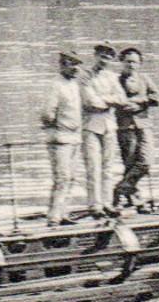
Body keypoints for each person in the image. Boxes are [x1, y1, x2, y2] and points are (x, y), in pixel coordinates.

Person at [81, 42, 130, 218]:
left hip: (109, 126)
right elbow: (90, 102)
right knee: (93, 167)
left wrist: (104, 100)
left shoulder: (111, 77)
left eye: (108, 58)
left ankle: (107, 203)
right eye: (102, 56)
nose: (104, 61)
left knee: (108, 167)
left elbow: (122, 100)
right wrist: (109, 101)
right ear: (95, 56)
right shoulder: (85, 75)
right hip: (91, 126)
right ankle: (95, 205)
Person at [39, 51, 83, 225]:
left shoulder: (74, 85)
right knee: (62, 177)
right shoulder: (55, 85)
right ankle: (54, 216)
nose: (76, 69)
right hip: (60, 139)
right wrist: (58, 126)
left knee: (71, 177)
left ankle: (64, 213)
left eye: (77, 65)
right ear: (62, 65)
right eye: (72, 65)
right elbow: (47, 114)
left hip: (74, 138)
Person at [113, 47, 159, 212]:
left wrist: (140, 101)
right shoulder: (116, 80)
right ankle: (136, 201)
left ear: (139, 64)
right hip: (125, 127)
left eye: (134, 62)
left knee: (146, 162)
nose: (131, 65)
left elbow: (156, 98)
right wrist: (124, 104)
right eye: (128, 61)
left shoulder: (145, 79)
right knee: (130, 163)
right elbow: (112, 99)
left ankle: (120, 189)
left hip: (144, 124)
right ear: (122, 62)